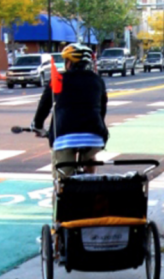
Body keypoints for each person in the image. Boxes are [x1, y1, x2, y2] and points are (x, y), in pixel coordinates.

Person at [32, 43, 108, 179]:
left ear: (69, 63)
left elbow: (44, 105)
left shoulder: (58, 80)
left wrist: (37, 125)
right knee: (90, 156)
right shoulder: (98, 80)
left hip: (65, 135)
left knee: (62, 177)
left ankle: (64, 187)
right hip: (94, 135)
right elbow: (102, 110)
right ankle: (91, 181)